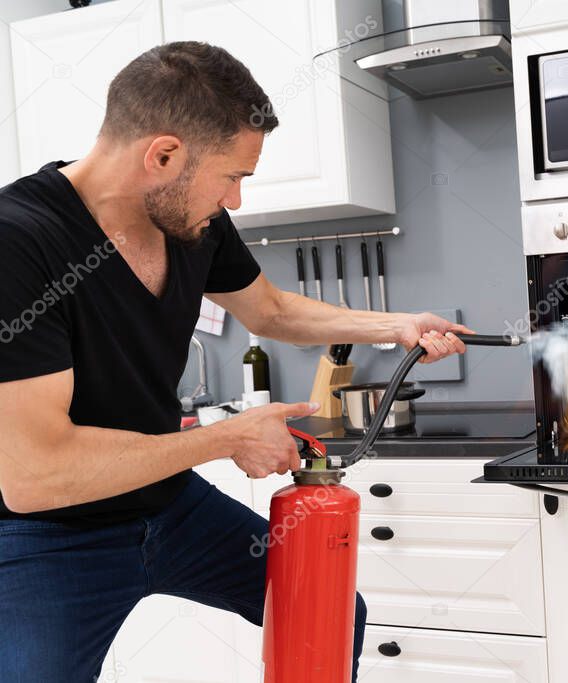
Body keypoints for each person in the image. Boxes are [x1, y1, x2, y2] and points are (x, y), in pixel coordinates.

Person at [0, 41, 471, 682]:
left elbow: (270, 310)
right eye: (233, 177)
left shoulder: (192, 222)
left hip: (167, 507)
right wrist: (224, 440)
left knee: (332, 612)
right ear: (163, 155)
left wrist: (397, 325)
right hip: (48, 537)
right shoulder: (19, 242)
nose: (236, 201)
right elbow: (35, 475)